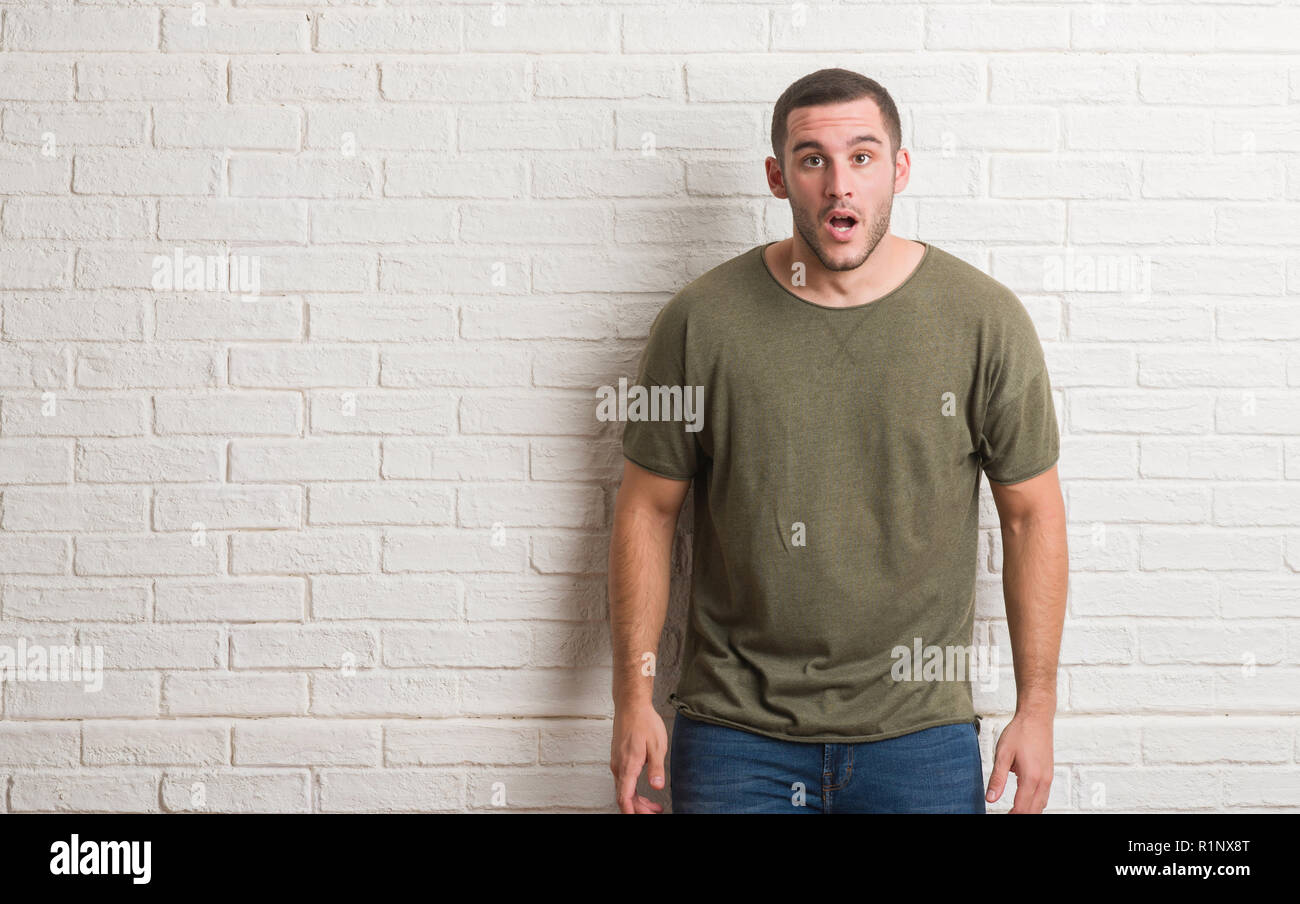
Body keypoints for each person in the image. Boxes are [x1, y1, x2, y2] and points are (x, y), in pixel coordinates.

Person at [608, 68, 1068, 814]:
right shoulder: (701, 323)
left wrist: (1037, 708)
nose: (838, 184)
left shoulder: (984, 320)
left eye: (862, 156)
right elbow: (646, 511)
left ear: (899, 169)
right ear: (778, 176)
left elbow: (1032, 516)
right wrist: (632, 700)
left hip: (920, 738)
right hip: (734, 736)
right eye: (812, 158)